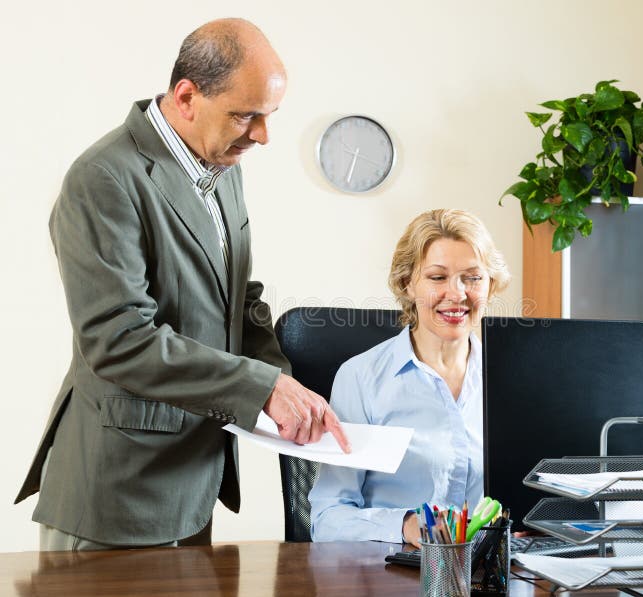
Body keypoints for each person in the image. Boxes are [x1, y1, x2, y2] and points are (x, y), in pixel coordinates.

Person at [14, 18, 349, 551]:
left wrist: (284, 383)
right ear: (187, 96)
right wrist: (260, 388)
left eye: (270, 116)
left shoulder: (220, 160)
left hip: (193, 483)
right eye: (247, 115)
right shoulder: (102, 178)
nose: (262, 135)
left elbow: (237, 295)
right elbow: (119, 340)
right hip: (118, 494)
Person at [309, 209, 510, 545]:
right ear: (407, 284)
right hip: (390, 571)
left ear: (490, 286)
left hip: (489, 573)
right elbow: (327, 519)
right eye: (437, 277)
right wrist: (404, 526)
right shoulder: (361, 378)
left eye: (473, 277)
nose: (457, 293)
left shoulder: (510, 378)